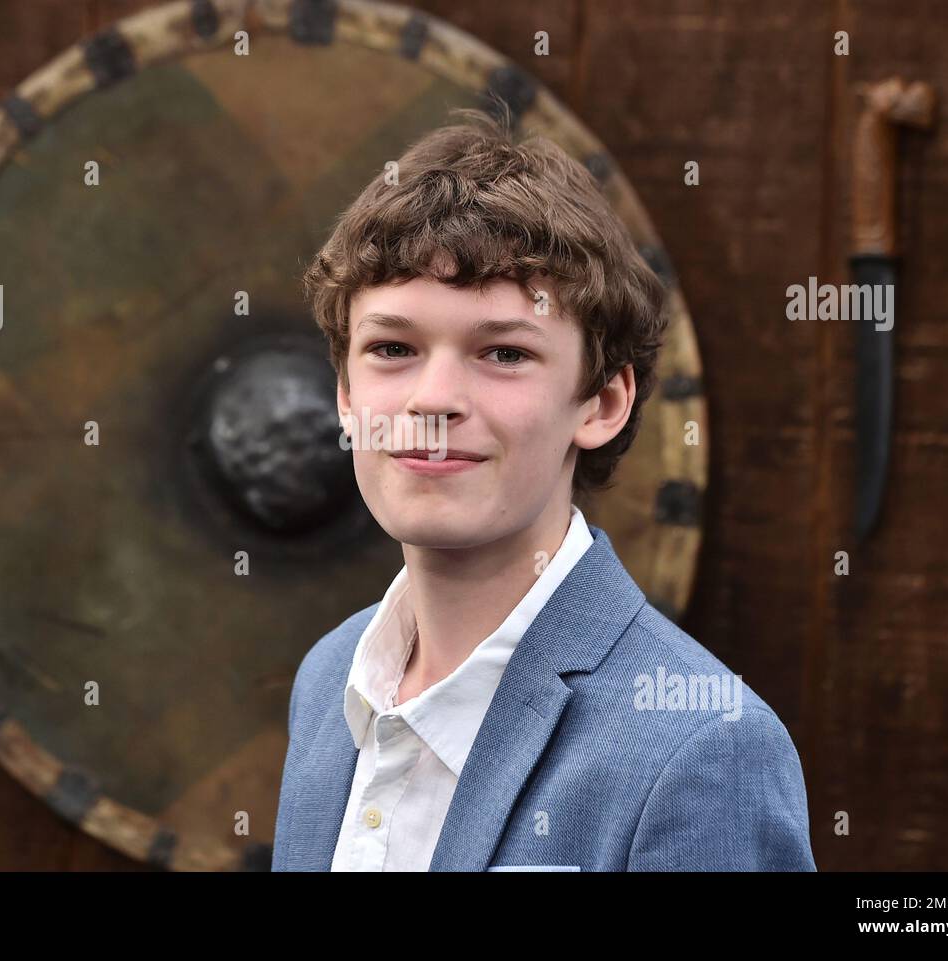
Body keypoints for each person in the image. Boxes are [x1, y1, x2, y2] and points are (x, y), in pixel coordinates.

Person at [271, 106, 815, 872]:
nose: (433, 398)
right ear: (346, 398)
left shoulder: (703, 747)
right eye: (392, 347)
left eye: (502, 352)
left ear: (602, 403)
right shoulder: (330, 679)